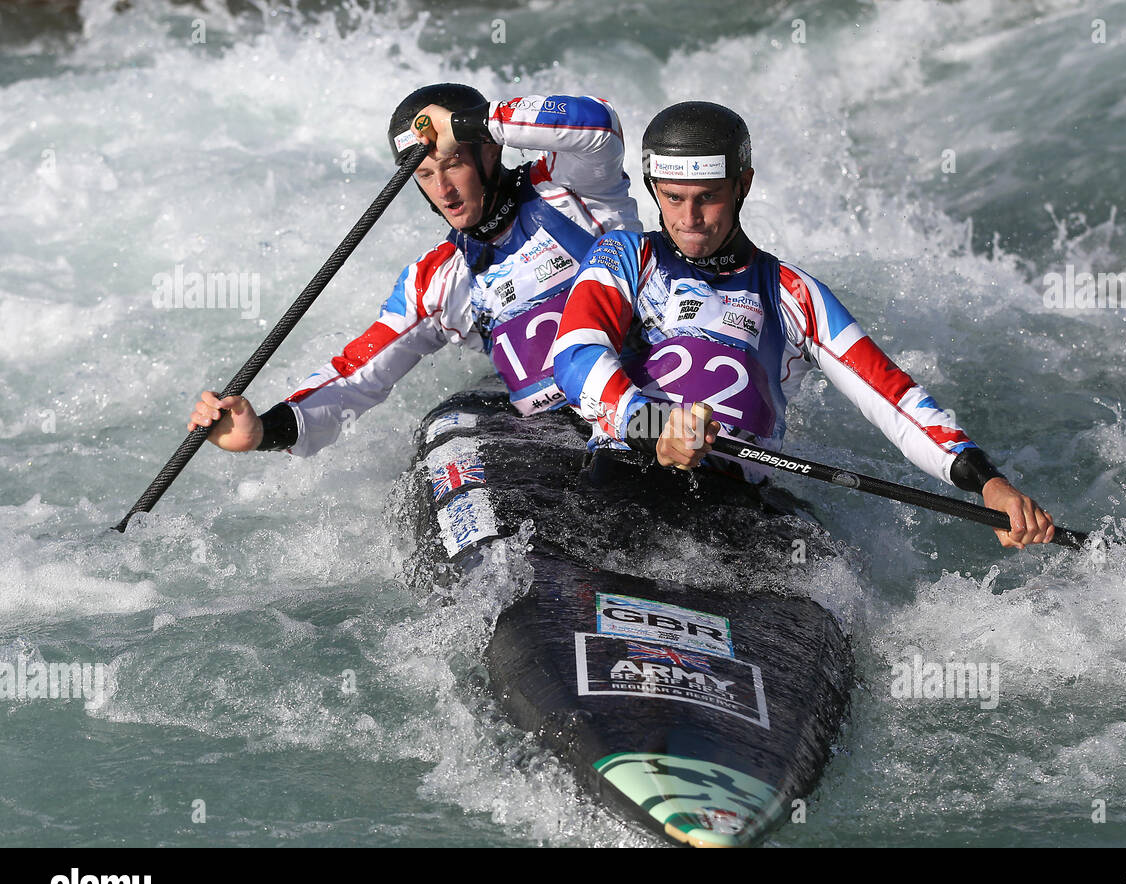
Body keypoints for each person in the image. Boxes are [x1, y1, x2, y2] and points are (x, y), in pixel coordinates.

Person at [553, 101, 1054, 549]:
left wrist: (987, 481)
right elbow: (575, 354)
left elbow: (893, 397)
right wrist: (650, 424)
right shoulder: (625, 256)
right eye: (672, 197)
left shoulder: (793, 292)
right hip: (630, 473)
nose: (690, 219)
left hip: (739, 507)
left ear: (743, 185)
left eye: (707, 197)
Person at [187, 84, 639, 455]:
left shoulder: (568, 188)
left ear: (489, 153)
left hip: (654, 400)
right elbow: (357, 376)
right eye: (424, 174)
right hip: (558, 437)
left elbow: (597, 124)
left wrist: (472, 122)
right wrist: (265, 430)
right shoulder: (437, 281)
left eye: (453, 163)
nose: (443, 189)